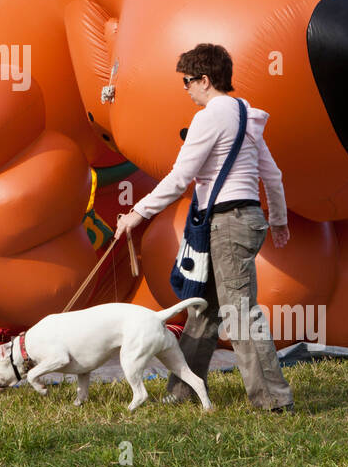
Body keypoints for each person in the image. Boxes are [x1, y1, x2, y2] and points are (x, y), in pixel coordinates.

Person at [114, 43, 294, 413]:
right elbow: (272, 175)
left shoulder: (211, 117)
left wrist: (138, 212)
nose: (186, 89)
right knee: (203, 309)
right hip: (245, 219)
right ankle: (182, 390)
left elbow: (181, 178)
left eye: (187, 82)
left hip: (227, 223)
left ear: (205, 80)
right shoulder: (246, 115)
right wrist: (277, 220)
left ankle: (272, 400)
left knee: (240, 311)